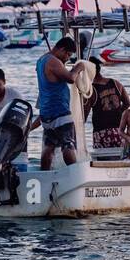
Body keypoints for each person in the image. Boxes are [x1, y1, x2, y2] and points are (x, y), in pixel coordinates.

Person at [36, 36, 86, 170]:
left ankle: (44, 174)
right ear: (62, 49)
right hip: (59, 110)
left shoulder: (41, 60)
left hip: (46, 112)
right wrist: (79, 67)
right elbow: (70, 78)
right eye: (68, 54)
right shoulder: (53, 61)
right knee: (68, 144)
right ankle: (75, 173)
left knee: (49, 146)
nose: (67, 58)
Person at [84, 57, 128, 153]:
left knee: (103, 160)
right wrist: (118, 113)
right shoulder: (116, 83)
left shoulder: (91, 90)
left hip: (101, 132)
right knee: (120, 158)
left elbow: (84, 115)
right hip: (118, 131)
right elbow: (127, 103)